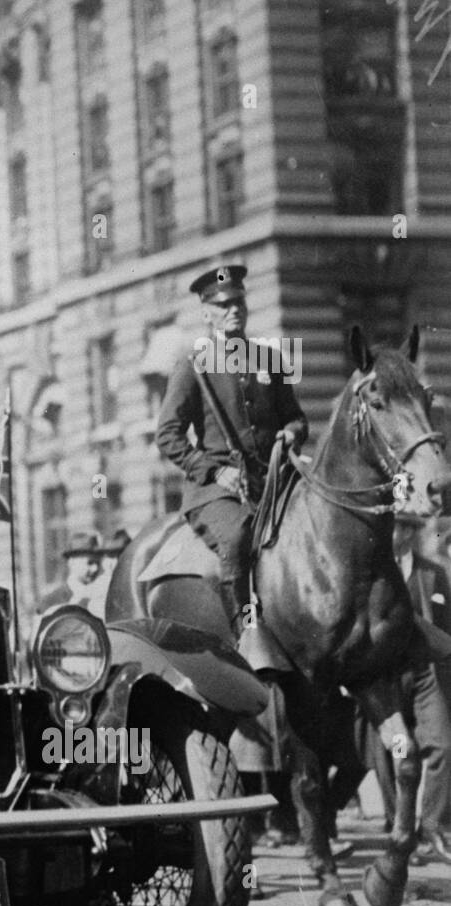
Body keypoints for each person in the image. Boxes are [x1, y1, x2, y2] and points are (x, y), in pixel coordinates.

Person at [156, 265, 308, 634]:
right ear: (207, 313)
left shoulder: (270, 360)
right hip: (217, 490)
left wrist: (290, 435)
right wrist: (211, 469)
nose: (234, 310)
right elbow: (168, 434)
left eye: (238, 302)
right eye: (224, 305)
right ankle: (247, 632)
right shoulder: (193, 368)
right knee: (238, 536)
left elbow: (297, 418)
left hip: (273, 480)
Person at [365, 512, 451, 864]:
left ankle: (432, 826)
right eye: (396, 526)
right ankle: (398, 829)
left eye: (408, 527)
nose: (401, 533)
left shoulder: (434, 572)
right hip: (384, 676)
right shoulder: (368, 570)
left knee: (442, 745)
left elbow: (446, 628)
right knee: (393, 752)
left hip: (425, 673)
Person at [37, 531, 108, 615]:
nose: (95, 568)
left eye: (98, 563)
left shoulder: (105, 597)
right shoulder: (51, 601)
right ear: (72, 562)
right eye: (90, 563)